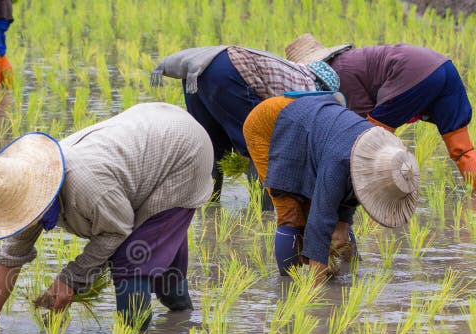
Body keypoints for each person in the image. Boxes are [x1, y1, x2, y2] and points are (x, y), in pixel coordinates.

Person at [0, 103, 215, 330]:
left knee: (132, 256)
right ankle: (182, 318)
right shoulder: (28, 187)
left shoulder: (88, 188)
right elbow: (9, 258)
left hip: (184, 152)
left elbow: (117, 230)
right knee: (159, 245)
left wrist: (71, 279)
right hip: (152, 141)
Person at [242, 93, 420, 282]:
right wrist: (315, 296)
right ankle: (287, 286)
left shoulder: (380, 156)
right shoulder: (340, 163)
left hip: (316, 127)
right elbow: (320, 222)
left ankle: (336, 269)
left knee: (332, 222)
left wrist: (343, 226)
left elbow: (353, 189)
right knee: (291, 214)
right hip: (272, 123)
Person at [150, 45, 341, 202]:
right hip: (227, 72)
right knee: (260, 144)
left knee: (211, 149)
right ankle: (262, 214)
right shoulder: (309, 88)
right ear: (324, 87)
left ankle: (209, 208)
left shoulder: (288, 69)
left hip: (197, 73)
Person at [286, 34, 476, 185]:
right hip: (444, 67)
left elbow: (362, 124)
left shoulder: (339, 71)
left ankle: (379, 194)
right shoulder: (350, 61)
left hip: (413, 74)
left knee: (369, 139)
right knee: (462, 149)